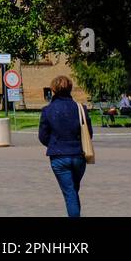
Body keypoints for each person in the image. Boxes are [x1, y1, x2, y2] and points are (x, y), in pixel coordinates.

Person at [38, 75, 93, 217]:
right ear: (70, 88)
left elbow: (43, 136)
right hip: (79, 155)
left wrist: (54, 143)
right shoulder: (81, 108)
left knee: (70, 192)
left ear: (53, 90)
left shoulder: (47, 110)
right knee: (73, 191)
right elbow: (89, 134)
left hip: (59, 156)